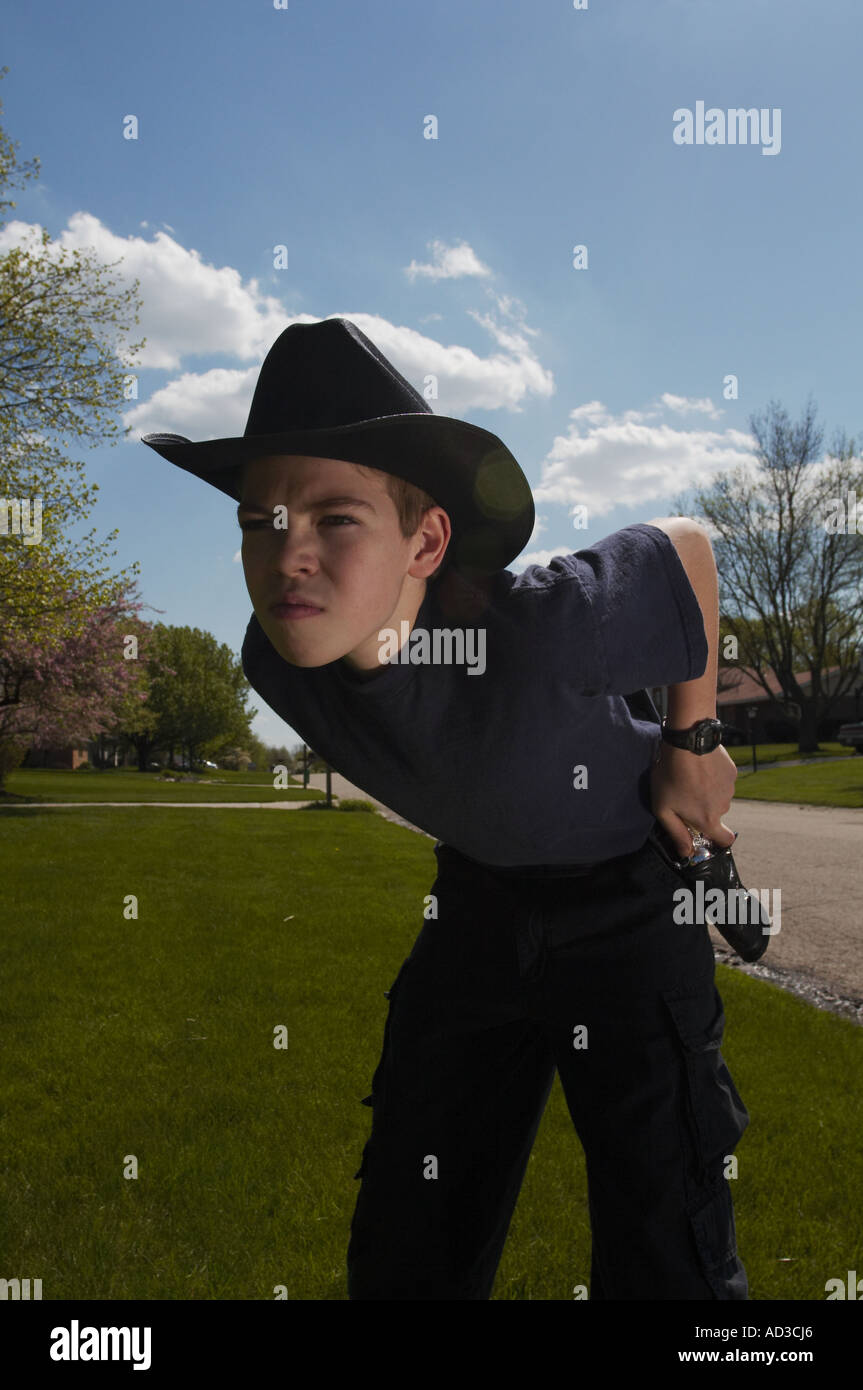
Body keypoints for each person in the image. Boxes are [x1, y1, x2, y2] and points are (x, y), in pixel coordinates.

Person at [142, 317, 750, 1300]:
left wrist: (691, 744)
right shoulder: (277, 664)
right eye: (262, 521)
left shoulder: (539, 630)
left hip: (628, 901)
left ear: (426, 540)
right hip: (475, 906)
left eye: (335, 518)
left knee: (665, 1228)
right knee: (409, 1231)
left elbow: (684, 547)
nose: (287, 554)